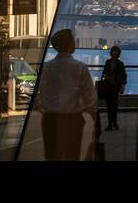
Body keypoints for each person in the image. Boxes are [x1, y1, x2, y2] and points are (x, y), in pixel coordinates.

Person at [36, 29, 99, 160]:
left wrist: (45, 110)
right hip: (73, 119)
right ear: (70, 44)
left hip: (50, 119)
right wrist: (95, 119)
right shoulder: (80, 67)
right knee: (72, 155)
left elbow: (42, 92)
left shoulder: (49, 67)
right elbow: (90, 97)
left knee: (52, 156)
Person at [101, 46, 127, 131]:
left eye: (116, 52)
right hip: (111, 86)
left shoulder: (110, 62)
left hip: (113, 86)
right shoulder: (119, 63)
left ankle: (111, 124)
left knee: (112, 106)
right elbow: (123, 77)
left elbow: (123, 76)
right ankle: (113, 123)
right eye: (114, 51)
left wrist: (109, 79)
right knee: (111, 106)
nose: (114, 53)